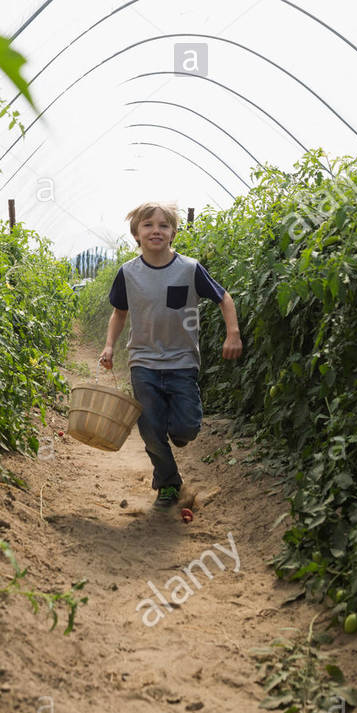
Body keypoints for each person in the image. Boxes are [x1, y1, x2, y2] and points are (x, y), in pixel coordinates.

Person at [99, 202, 242, 508]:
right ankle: (168, 483)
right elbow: (119, 314)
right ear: (136, 233)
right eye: (148, 225)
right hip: (143, 361)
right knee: (150, 428)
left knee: (186, 427)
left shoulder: (189, 269)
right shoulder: (128, 272)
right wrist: (109, 345)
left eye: (164, 225)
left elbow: (224, 298)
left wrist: (233, 334)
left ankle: (178, 432)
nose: (156, 231)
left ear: (173, 233)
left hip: (183, 361)